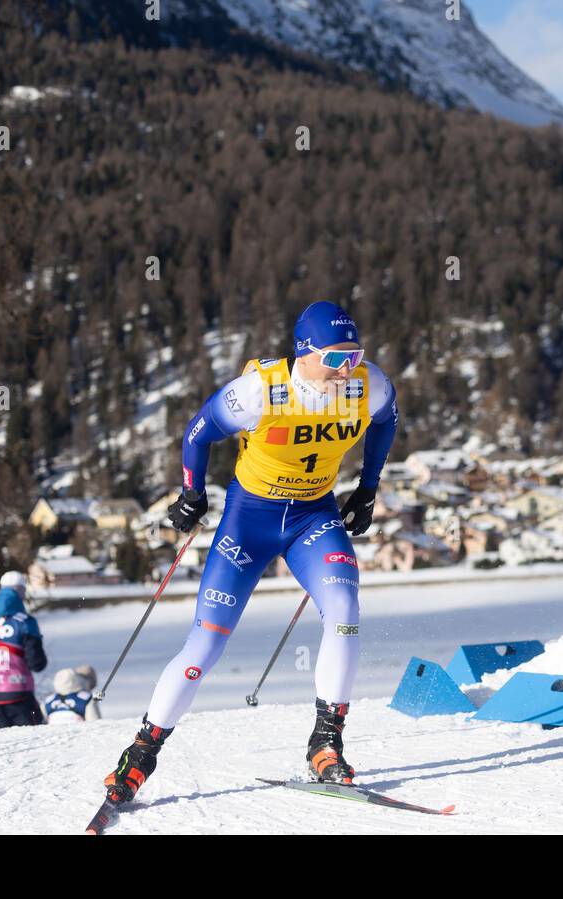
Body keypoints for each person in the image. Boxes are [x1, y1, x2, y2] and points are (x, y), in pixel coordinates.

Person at [100, 301, 397, 806]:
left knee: (345, 611)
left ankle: (326, 743)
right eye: (335, 358)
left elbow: (386, 422)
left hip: (313, 519)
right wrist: (192, 494)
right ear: (304, 353)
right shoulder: (261, 391)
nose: (346, 369)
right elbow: (198, 430)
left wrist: (367, 489)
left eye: (354, 356)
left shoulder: (369, 385)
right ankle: (141, 753)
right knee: (207, 644)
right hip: (249, 522)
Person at [0, 571, 47, 727]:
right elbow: (37, 664)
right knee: (32, 738)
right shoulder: (25, 622)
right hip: (19, 693)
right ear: (20, 591)